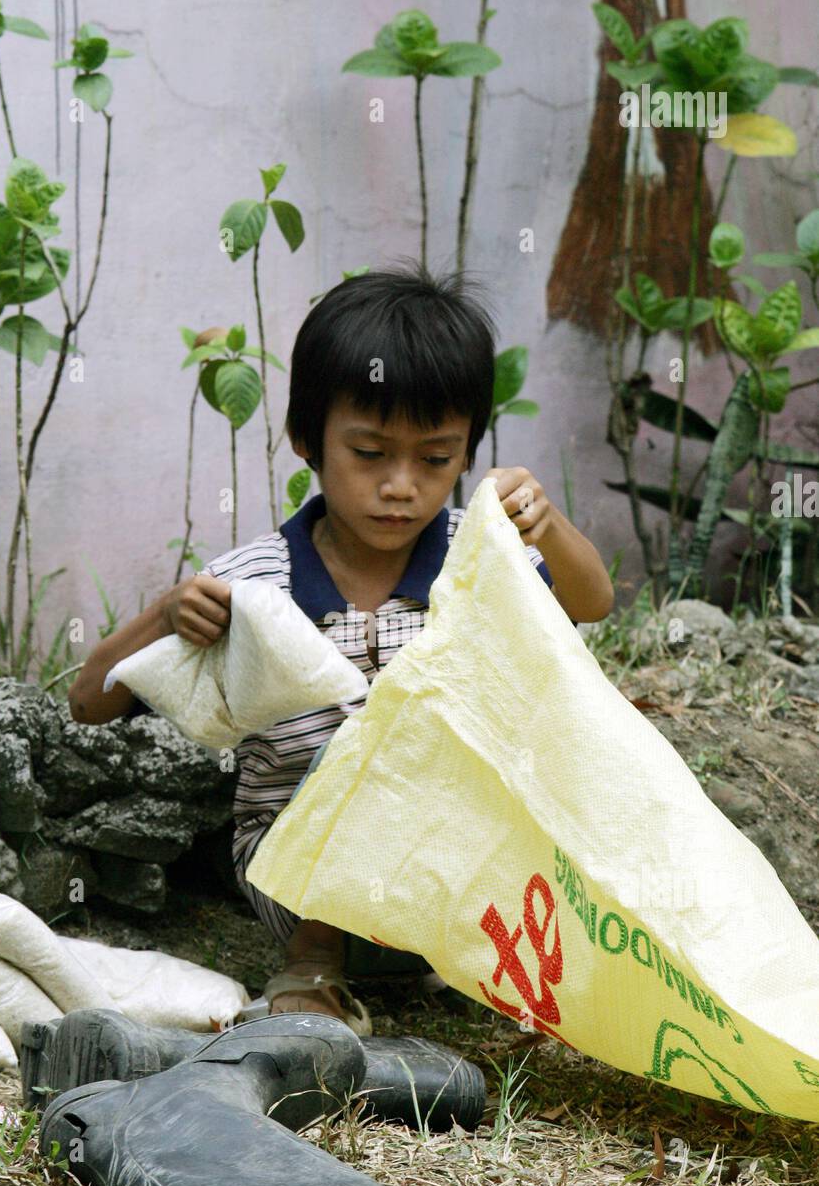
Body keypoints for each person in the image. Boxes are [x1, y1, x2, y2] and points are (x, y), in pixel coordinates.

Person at [68, 261, 614, 1025]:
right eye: (369, 454)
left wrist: (546, 526)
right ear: (306, 441)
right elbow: (89, 702)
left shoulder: (476, 557)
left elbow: (593, 601)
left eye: (435, 459)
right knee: (367, 745)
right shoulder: (254, 586)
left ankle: (502, 968)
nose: (401, 486)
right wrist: (165, 616)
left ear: (468, 452)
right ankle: (313, 970)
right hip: (299, 877)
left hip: (449, 880)